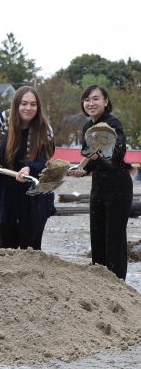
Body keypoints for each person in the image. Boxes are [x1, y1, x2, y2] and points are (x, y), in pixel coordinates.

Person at [69, 85, 132, 279]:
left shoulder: (113, 124)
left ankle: (117, 282)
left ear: (105, 101)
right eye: (87, 99)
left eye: (96, 99)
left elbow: (118, 155)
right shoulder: (87, 127)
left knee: (114, 238)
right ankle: (99, 282)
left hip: (118, 187)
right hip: (98, 187)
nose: (91, 103)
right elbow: (88, 159)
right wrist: (82, 170)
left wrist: (100, 156)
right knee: (97, 236)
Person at [0, 86, 55, 250]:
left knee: (29, 249)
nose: (28, 108)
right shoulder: (4, 119)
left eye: (33, 104)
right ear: (16, 104)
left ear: (38, 107)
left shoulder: (45, 129)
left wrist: (30, 168)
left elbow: (46, 160)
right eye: (24, 103)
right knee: (6, 248)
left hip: (34, 194)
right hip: (5, 193)